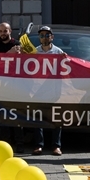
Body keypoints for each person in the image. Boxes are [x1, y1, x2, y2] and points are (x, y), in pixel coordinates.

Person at [32, 25, 65, 155]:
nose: (44, 37)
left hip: (54, 91)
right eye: (42, 35)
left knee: (56, 119)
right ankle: (39, 145)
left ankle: (56, 146)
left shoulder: (58, 52)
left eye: (47, 35)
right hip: (38, 91)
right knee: (38, 119)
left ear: (52, 37)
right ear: (39, 38)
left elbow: (65, 70)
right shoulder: (34, 52)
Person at [0, 22, 20, 149]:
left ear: (10, 31)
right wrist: (9, 54)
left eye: (5, 31)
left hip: (17, 86)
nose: (3, 33)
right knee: (3, 116)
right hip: (0, 86)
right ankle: (5, 143)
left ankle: (19, 143)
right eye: (0, 31)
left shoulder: (17, 44)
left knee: (17, 116)